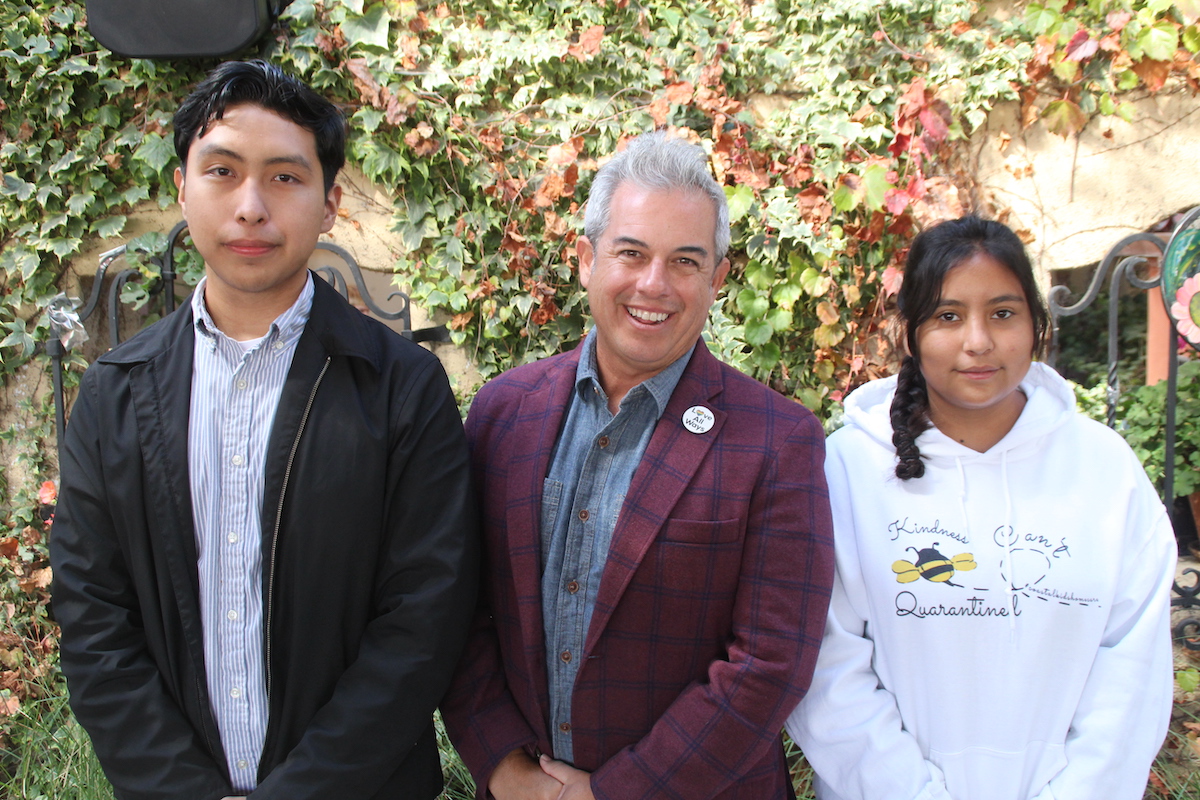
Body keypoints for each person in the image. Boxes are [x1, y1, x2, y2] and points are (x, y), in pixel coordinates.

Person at [50, 60, 478, 800]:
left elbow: (425, 618)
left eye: (284, 177)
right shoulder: (114, 394)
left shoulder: (401, 387)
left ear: (330, 201)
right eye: (221, 171)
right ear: (181, 189)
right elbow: (93, 618)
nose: (251, 206)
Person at [440, 131, 836, 800]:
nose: (654, 284)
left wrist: (611, 794)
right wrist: (506, 770)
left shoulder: (778, 442)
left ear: (717, 278)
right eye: (631, 252)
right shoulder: (503, 414)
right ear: (586, 258)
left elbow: (768, 665)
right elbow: (460, 612)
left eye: (685, 260)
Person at [786, 215, 1175, 800]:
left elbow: (1132, 666)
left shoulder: (1104, 470)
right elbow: (823, 666)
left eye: (1003, 312)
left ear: (1036, 323)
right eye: (948, 316)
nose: (978, 341)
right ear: (911, 330)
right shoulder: (844, 471)